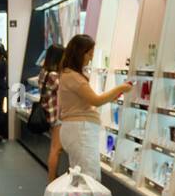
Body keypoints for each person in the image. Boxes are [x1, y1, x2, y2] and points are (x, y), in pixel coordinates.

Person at [55, 34, 131, 180]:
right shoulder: (73, 77)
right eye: (89, 54)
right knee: (89, 178)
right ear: (79, 53)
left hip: (75, 129)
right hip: (81, 131)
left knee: (80, 176)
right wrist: (120, 88)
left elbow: (87, 100)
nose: (90, 58)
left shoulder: (68, 74)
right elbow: (95, 100)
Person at [38, 44, 65, 178]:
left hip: (48, 112)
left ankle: (52, 179)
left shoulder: (44, 72)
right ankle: (52, 179)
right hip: (56, 115)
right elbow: (65, 87)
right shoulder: (54, 76)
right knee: (56, 149)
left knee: (55, 148)